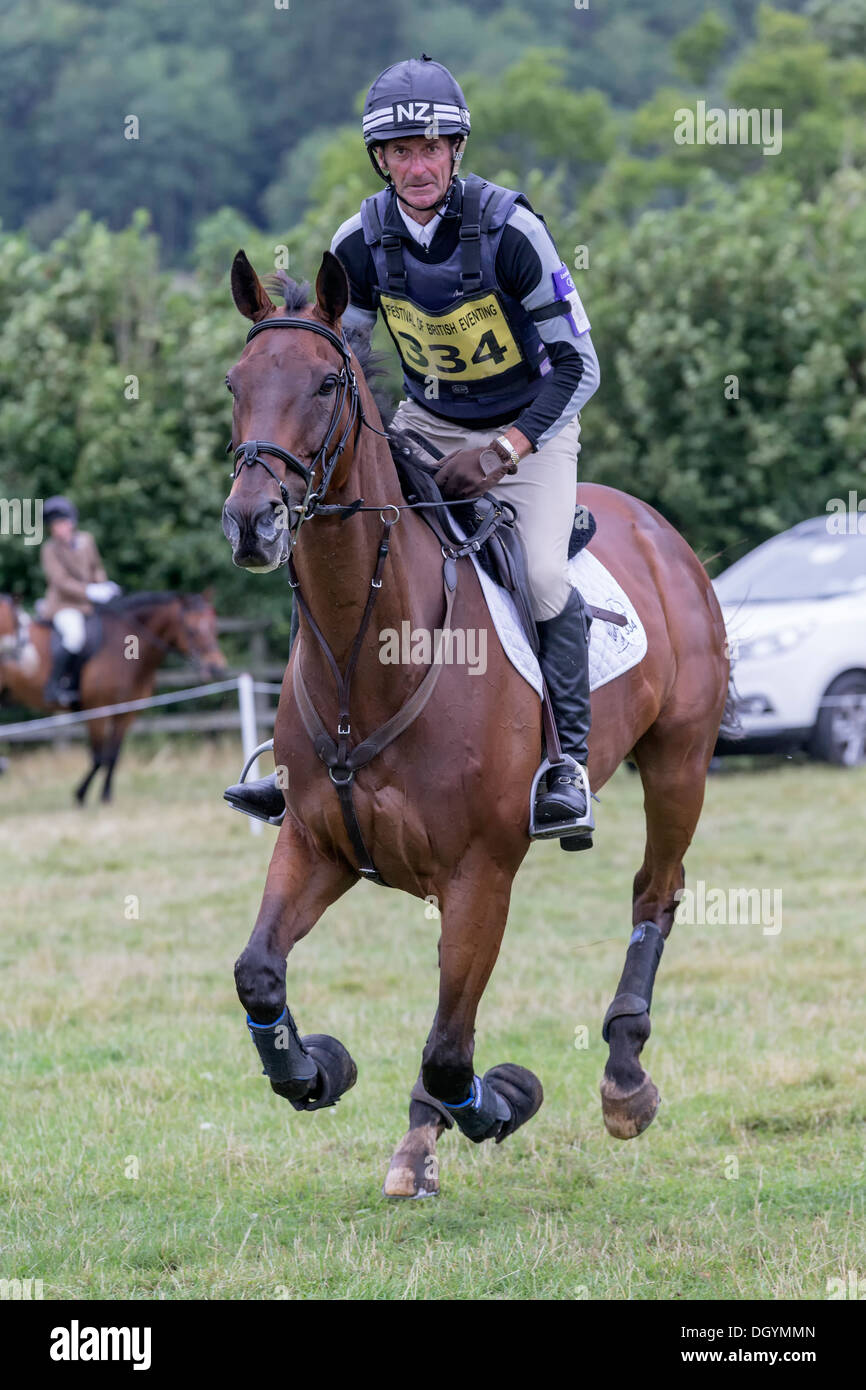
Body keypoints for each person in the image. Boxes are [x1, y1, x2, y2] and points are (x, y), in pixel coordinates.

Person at [227, 56, 600, 843]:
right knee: (332, 547)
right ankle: (292, 755)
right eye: (401, 152)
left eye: (432, 147)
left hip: (530, 427)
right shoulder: (359, 242)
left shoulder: (513, 232)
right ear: (382, 161)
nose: (418, 165)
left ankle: (566, 764)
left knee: (537, 574)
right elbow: (341, 360)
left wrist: (504, 450)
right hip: (424, 425)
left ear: (456, 150)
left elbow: (578, 365)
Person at [39, 496, 120, 706]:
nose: (58, 529)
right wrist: (90, 591)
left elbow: (96, 567)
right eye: (54, 525)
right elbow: (60, 582)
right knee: (74, 637)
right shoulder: (49, 549)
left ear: (71, 522)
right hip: (64, 605)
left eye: (61, 523)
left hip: (89, 605)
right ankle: (57, 685)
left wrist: (103, 584)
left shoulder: (86, 540)